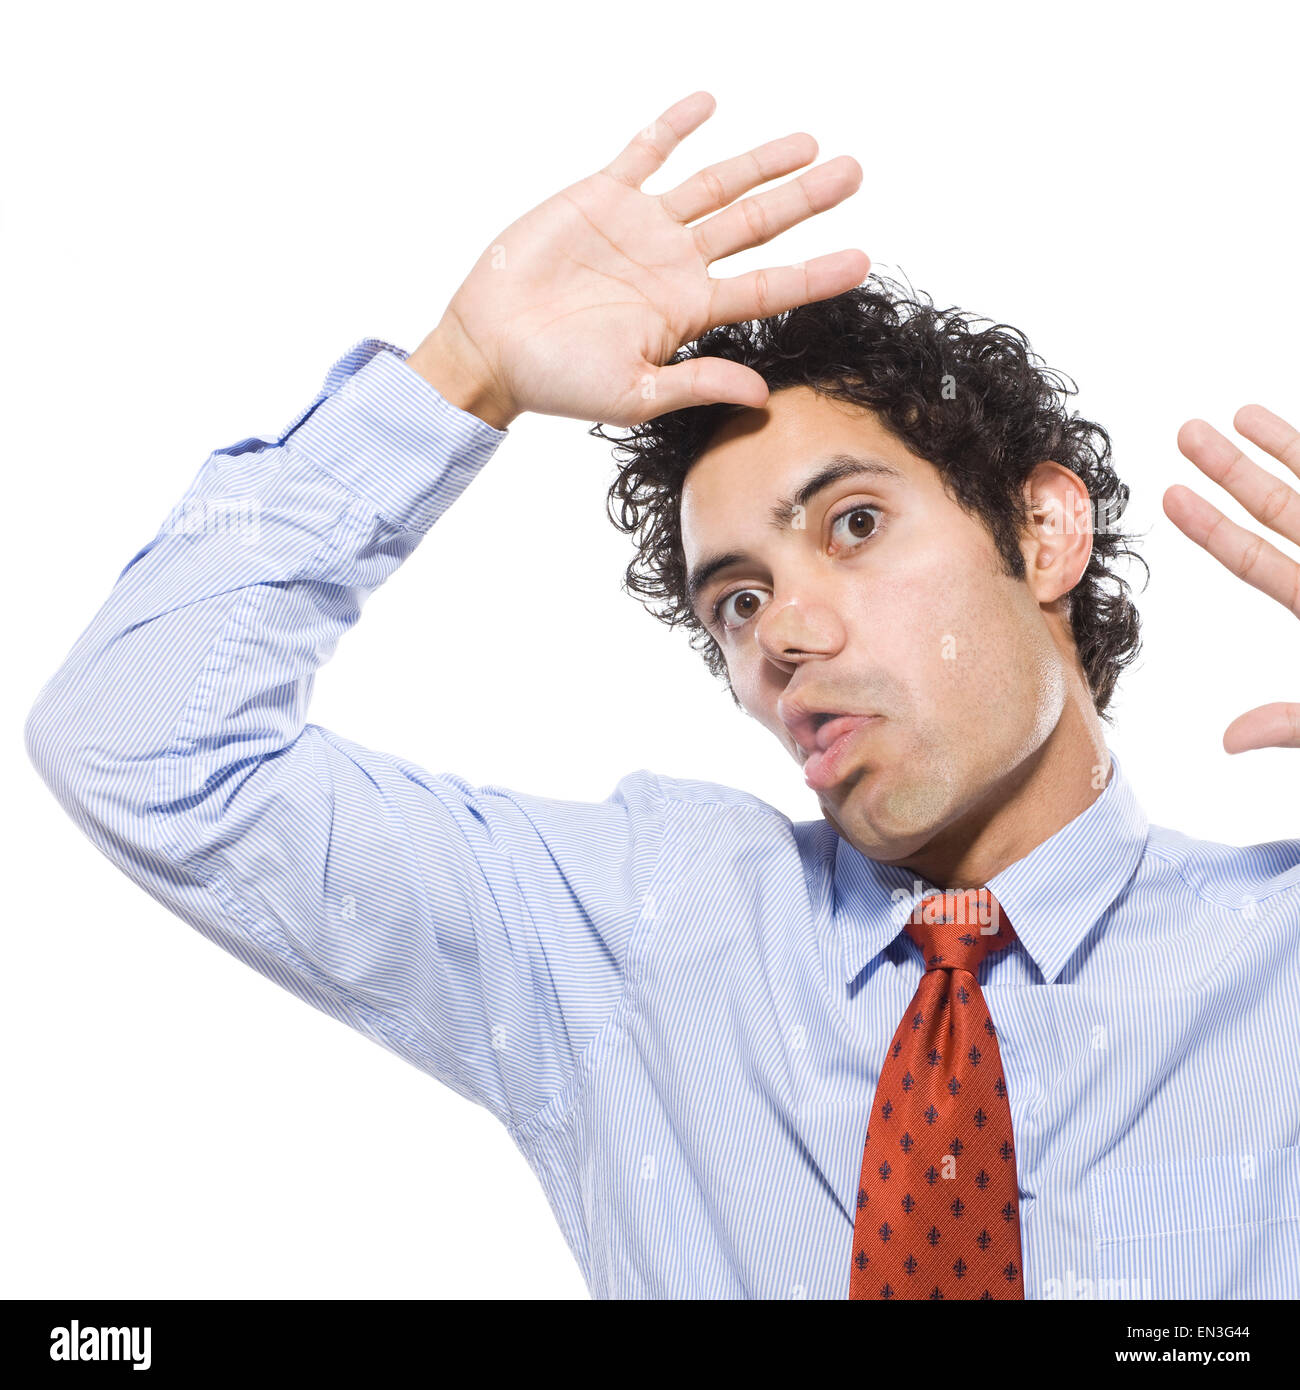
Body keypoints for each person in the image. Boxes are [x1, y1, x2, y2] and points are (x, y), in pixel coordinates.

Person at [24, 90, 1300, 1301]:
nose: (784, 634)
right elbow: (138, 740)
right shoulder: (635, 931)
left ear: (1041, 532)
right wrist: (461, 372)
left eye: (853, 524)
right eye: (734, 600)